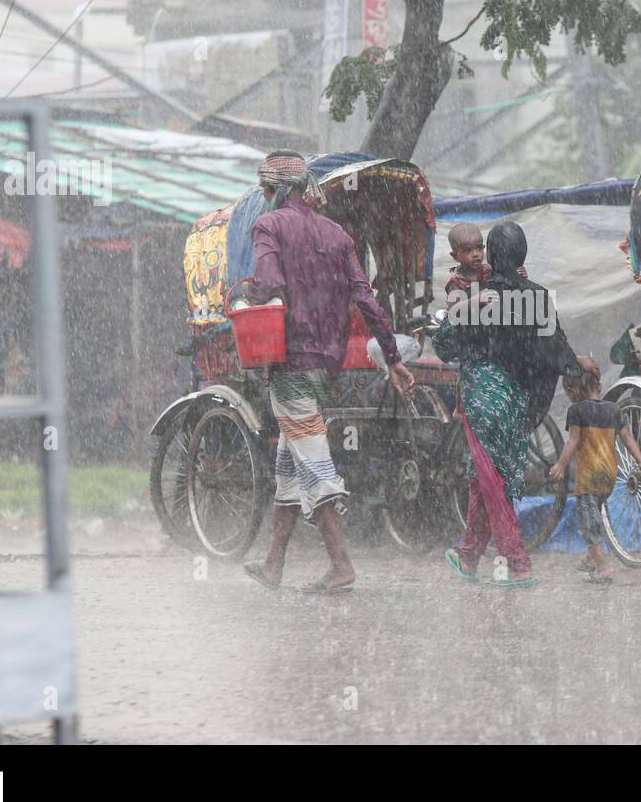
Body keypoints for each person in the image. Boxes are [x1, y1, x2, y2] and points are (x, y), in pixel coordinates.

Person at [242, 151, 415, 593]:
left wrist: (247, 294)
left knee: (314, 465)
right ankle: (274, 563)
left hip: (290, 363)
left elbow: (267, 282)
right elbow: (368, 300)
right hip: (327, 365)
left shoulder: (269, 226)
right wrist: (392, 358)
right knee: (291, 461)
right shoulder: (337, 234)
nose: (264, 198)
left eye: (265, 190)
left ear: (275, 190)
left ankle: (341, 565)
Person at [436, 221, 579, 587]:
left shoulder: (480, 297)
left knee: (489, 478)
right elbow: (559, 356)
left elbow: (443, 346)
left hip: (482, 400)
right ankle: (469, 555)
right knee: (483, 476)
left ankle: (517, 562)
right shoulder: (537, 298)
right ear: (522, 255)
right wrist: (535, 402)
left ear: (491, 254)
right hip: (519, 404)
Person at [547, 357, 641, 583]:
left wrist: (560, 464)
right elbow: (628, 438)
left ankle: (602, 567)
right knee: (594, 515)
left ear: (572, 389)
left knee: (588, 526)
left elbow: (573, 441)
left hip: (588, 479)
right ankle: (591, 558)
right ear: (599, 384)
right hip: (609, 478)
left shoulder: (577, 410)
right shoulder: (613, 409)